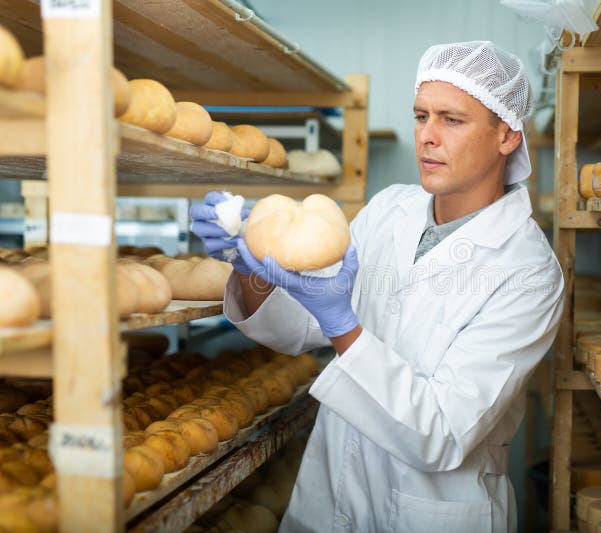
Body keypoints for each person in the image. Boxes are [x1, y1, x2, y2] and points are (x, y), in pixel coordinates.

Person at [191, 41, 564, 533]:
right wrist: (250, 269)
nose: (427, 137)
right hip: (330, 494)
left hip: (431, 513)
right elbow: (300, 328)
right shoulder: (390, 209)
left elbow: (440, 432)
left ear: (507, 136)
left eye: (452, 120)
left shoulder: (528, 270)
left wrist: (344, 325)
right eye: (421, 116)